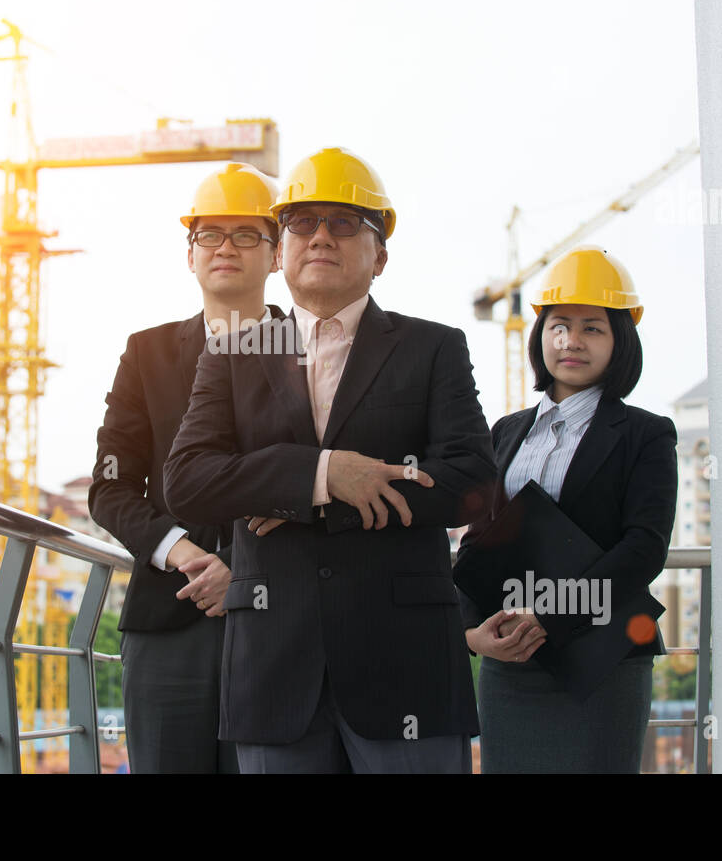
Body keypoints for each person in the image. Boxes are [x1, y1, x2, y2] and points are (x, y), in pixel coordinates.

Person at [163, 146, 496, 773]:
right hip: (273, 667)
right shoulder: (233, 352)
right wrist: (318, 475)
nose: (319, 236)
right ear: (281, 249)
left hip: (405, 665)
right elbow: (187, 482)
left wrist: (320, 496)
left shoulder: (433, 348)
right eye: (301, 223)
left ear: (381, 255)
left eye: (343, 223)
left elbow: (472, 480)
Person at [88, 162, 285, 773]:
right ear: (190, 253)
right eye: (210, 235)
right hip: (170, 614)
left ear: (276, 254)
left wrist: (244, 569)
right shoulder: (146, 353)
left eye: (246, 234)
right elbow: (111, 486)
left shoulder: (314, 349)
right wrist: (184, 553)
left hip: (282, 619)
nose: (225, 247)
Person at [458, 245, 677, 773]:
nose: (571, 341)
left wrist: (551, 615)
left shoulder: (645, 434)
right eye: (558, 325)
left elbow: (644, 547)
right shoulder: (506, 431)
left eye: (592, 328)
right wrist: (472, 632)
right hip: (511, 659)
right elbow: (476, 543)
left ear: (619, 340)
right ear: (541, 337)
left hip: (600, 658)